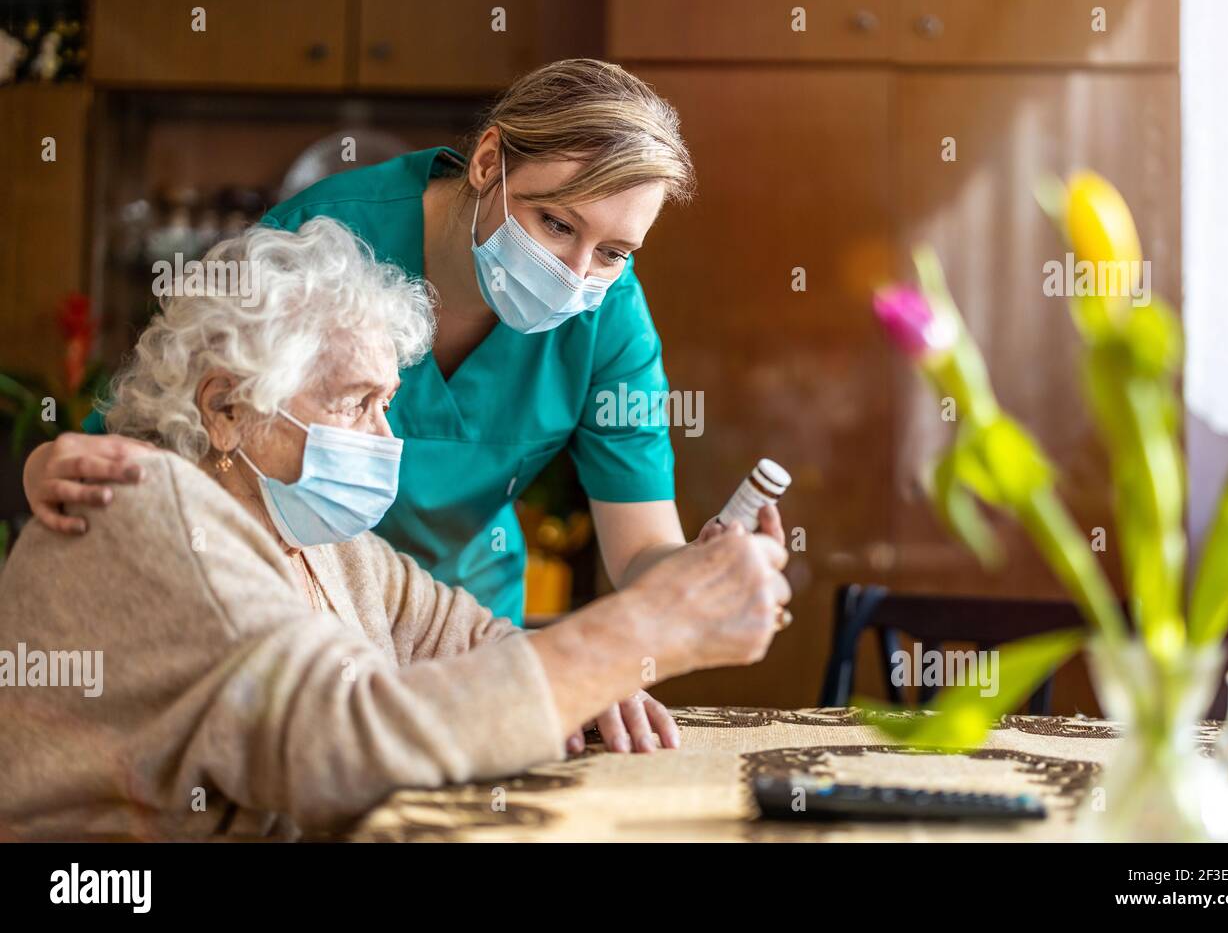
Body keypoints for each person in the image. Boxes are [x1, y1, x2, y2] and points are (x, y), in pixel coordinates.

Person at [20, 59, 785, 753]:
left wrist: (691, 581)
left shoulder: (607, 314)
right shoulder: (326, 242)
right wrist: (50, 463)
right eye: (555, 223)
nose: (576, 275)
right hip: (286, 607)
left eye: (616, 253)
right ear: (489, 162)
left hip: (451, 622)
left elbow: (642, 545)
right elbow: (160, 432)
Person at [0, 218, 790, 840]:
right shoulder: (155, 516)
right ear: (226, 408)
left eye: (386, 403)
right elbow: (343, 745)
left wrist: (587, 690)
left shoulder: (321, 542)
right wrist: (640, 630)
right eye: (352, 402)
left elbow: (466, 638)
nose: (384, 441)